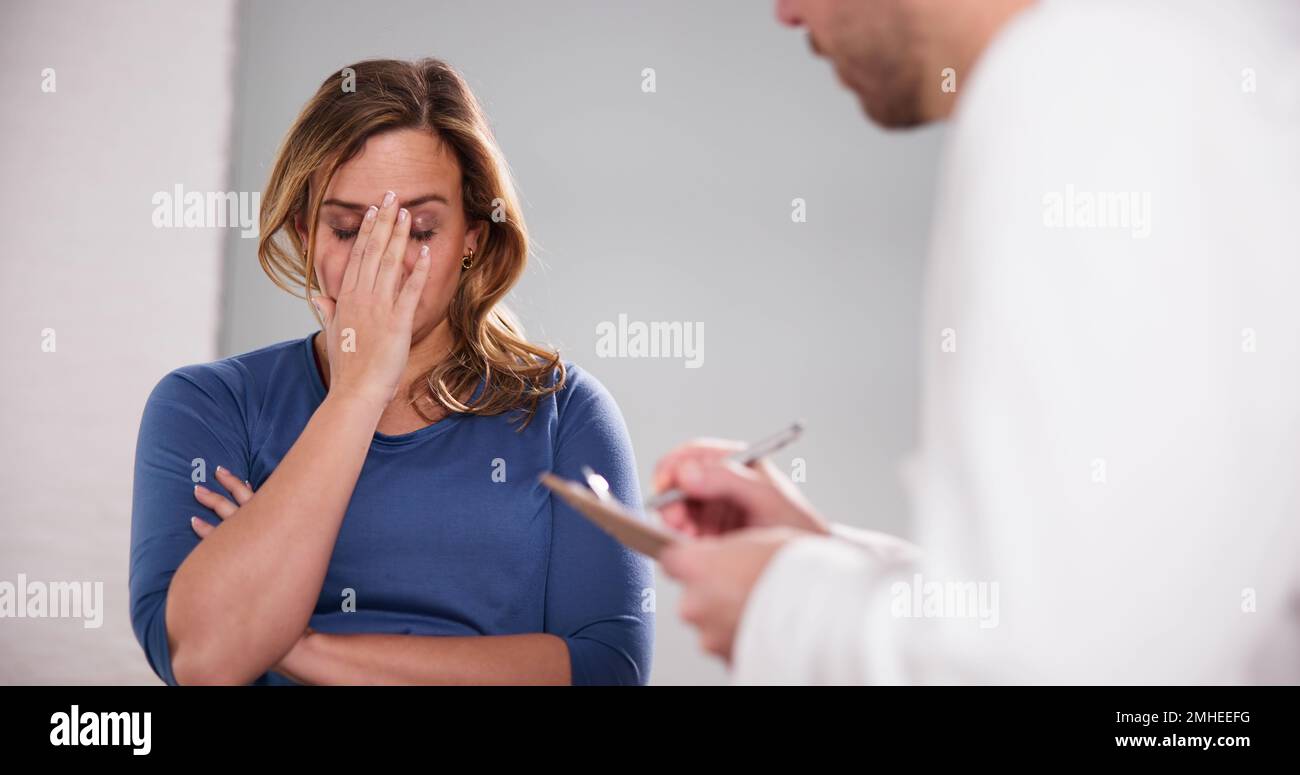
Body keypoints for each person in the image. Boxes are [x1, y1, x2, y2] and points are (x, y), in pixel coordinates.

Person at [655, 0, 1300, 683]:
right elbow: (1144, 601)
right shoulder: (1191, 58)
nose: (785, 13)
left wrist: (779, 606)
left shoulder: (1081, 79)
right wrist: (822, 559)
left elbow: (1062, 666)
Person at [129, 58, 652, 685]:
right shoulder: (208, 406)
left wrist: (292, 643)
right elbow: (205, 660)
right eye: (350, 230)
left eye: (421, 229)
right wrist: (357, 392)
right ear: (303, 233)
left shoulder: (564, 414)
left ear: (473, 239)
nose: (386, 263)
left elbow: (607, 672)